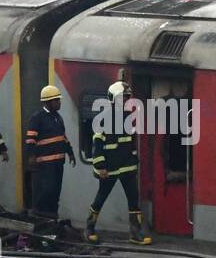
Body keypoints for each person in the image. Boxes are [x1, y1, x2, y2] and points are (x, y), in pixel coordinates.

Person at [86, 81, 150, 245]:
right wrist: (100, 167)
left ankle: (135, 234)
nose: (127, 100)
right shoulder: (103, 119)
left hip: (128, 167)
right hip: (110, 169)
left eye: (128, 98)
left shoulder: (128, 117)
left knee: (133, 200)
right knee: (100, 198)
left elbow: (131, 142)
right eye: (124, 97)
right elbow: (98, 144)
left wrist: (135, 160)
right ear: (114, 99)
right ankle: (89, 229)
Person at [24, 85, 75, 219]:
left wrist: (70, 152)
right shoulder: (37, 118)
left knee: (55, 192)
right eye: (56, 100)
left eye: (59, 100)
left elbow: (62, 137)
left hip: (58, 163)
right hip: (44, 165)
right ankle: (40, 218)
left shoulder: (58, 117)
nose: (59, 103)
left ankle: (52, 217)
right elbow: (30, 140)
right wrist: (31, 157)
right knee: (45, 192)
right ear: (47, 102)